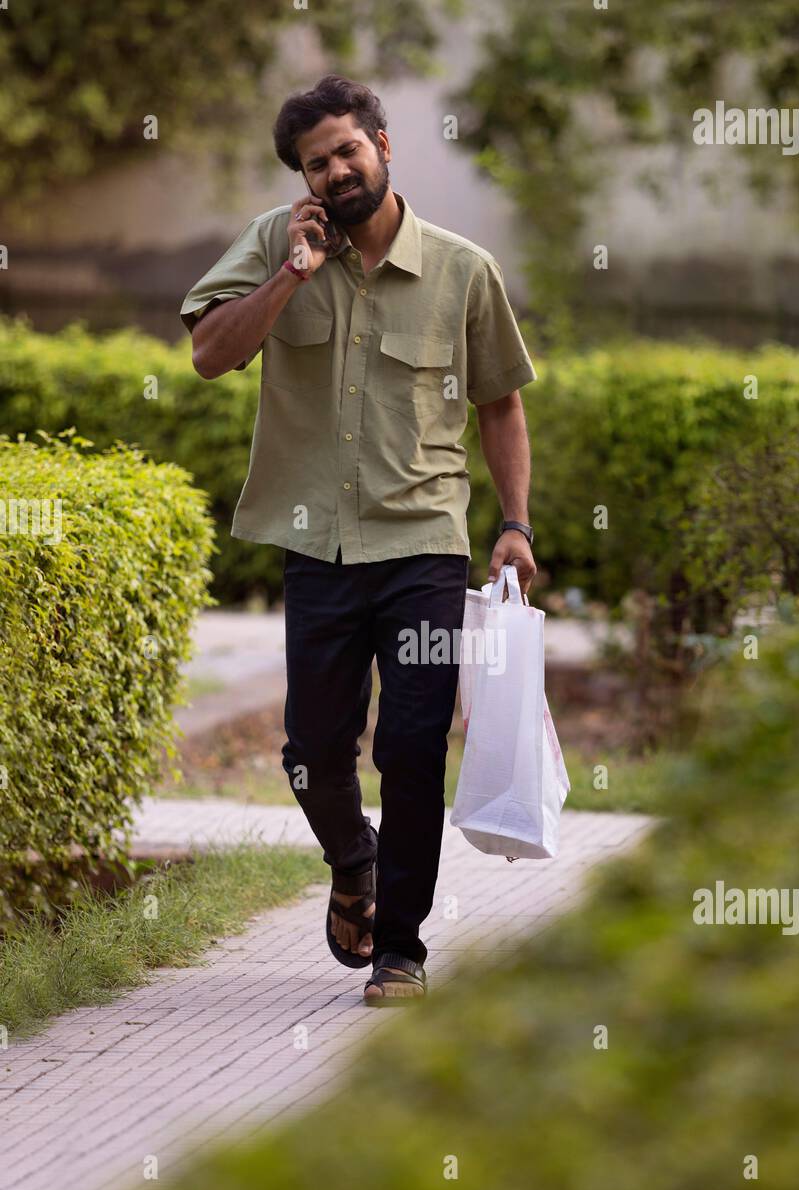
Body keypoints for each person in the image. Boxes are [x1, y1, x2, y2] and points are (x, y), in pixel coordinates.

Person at [181, 74, 537, 1006]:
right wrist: (291, 272)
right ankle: (355, 862)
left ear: (383, 143)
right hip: (318, 545)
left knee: (413, 748)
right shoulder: (275, 242)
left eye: (348, 149)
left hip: (422, 542)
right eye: (316, 163)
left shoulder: (462, 269)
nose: (336, 170)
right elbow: (212, 355)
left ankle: (401, 949)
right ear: (302, 178)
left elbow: (500, 404)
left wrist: (512, 525)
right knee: (310, 748)